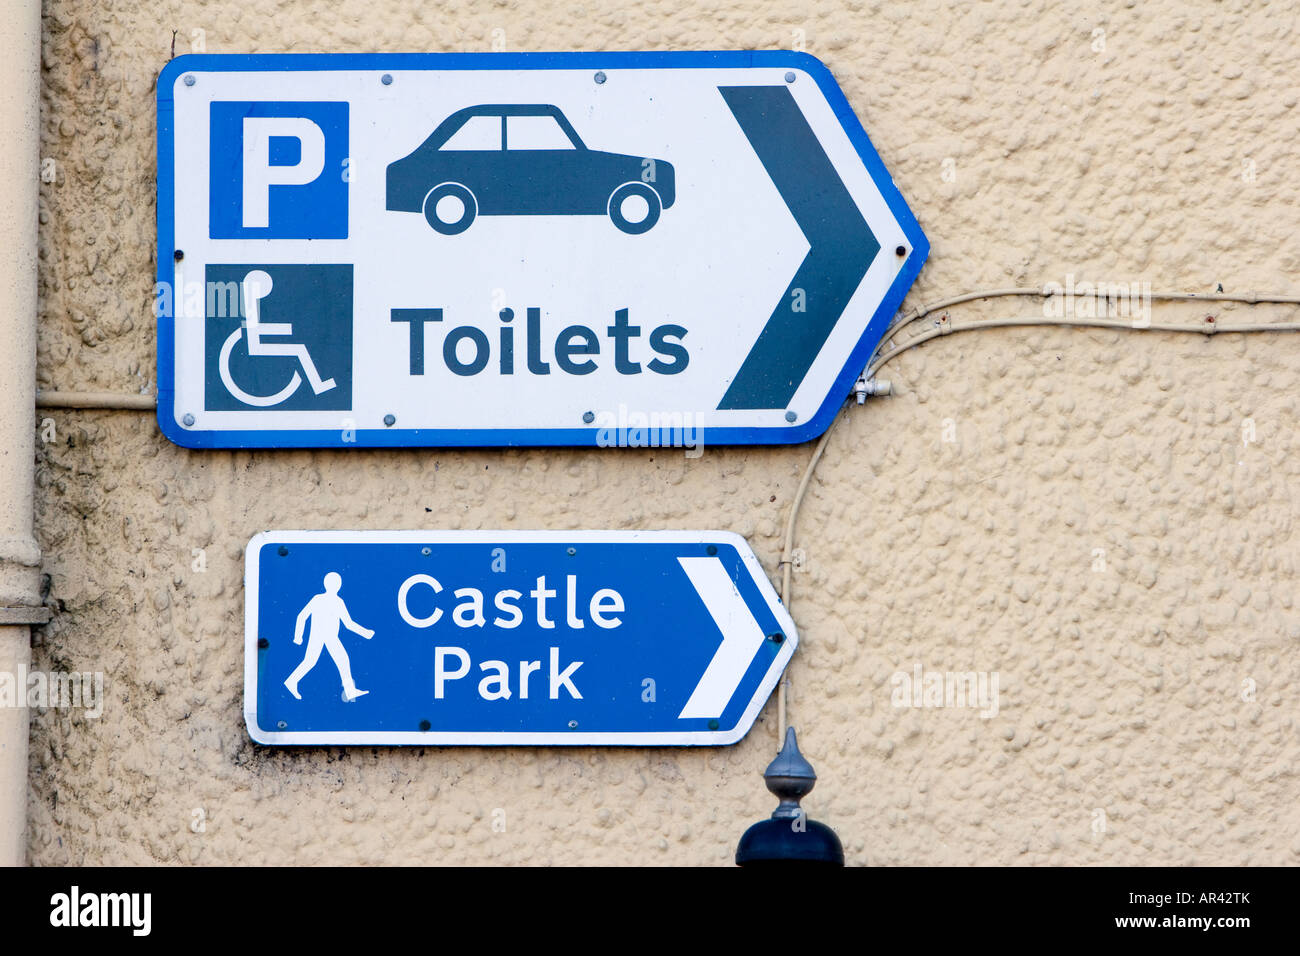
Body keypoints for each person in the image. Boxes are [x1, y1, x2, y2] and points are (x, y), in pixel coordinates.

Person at [284, 571, 374, 701]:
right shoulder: (320, 599)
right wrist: (298, 637)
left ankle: (349, 691)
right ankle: (292, 681)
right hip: (320, 635)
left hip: (329, 636)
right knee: (313, 661)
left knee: (338, 660)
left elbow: (348, 624)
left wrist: (365, 633)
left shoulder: (337, 601)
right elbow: (302, 616)